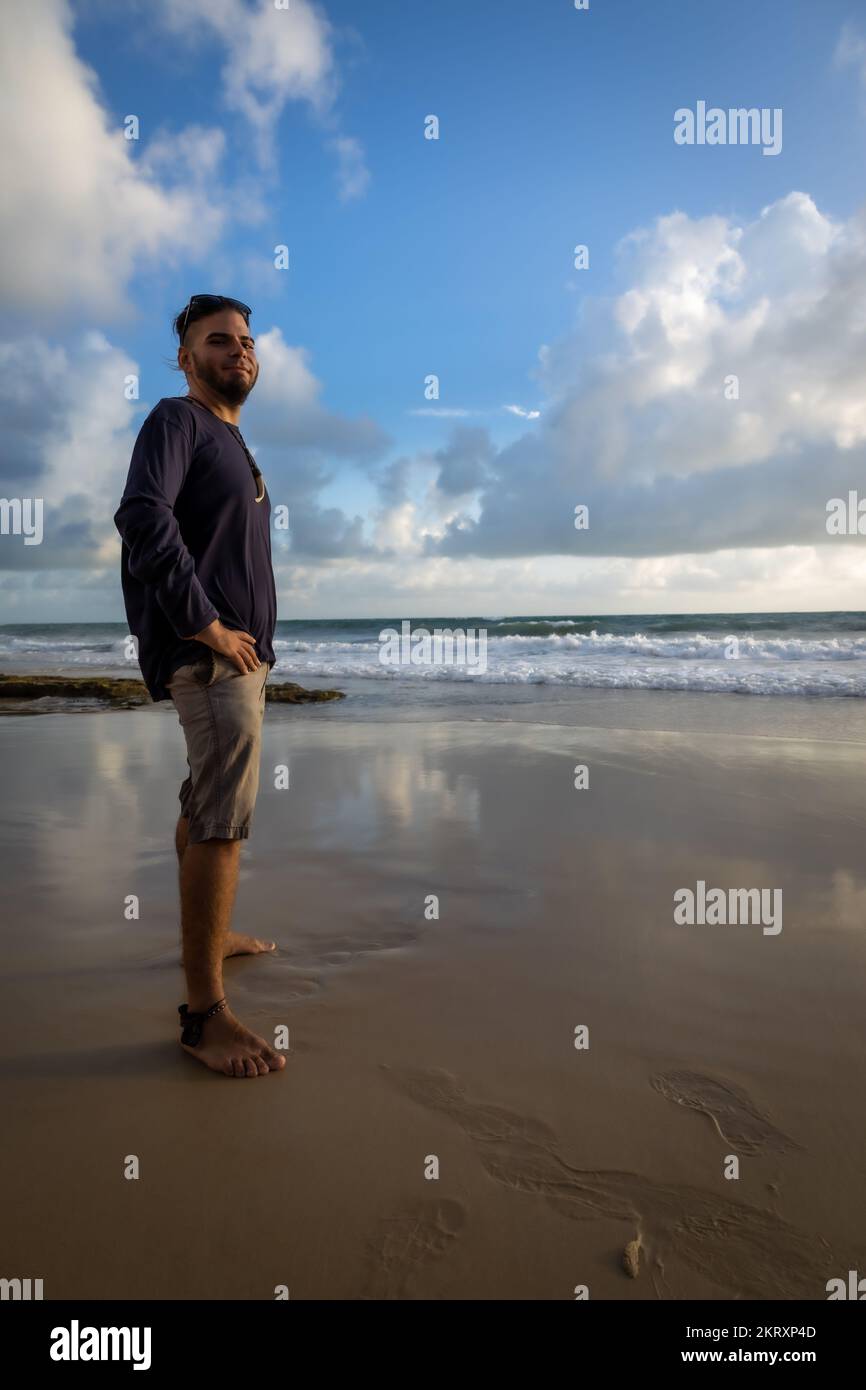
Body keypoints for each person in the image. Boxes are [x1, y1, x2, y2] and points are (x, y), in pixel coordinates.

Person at [113, 294, 286, 1079]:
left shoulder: (233, 443)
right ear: (184, 357)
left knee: (203, 801)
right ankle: (202, 1016)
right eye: (219, 340)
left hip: (236, 661)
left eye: (247, 340)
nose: (239, 350)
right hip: (210, 657)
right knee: (222, 818)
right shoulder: (178, 422)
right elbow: (143, 516)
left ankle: (209, 937)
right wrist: (209, 626)